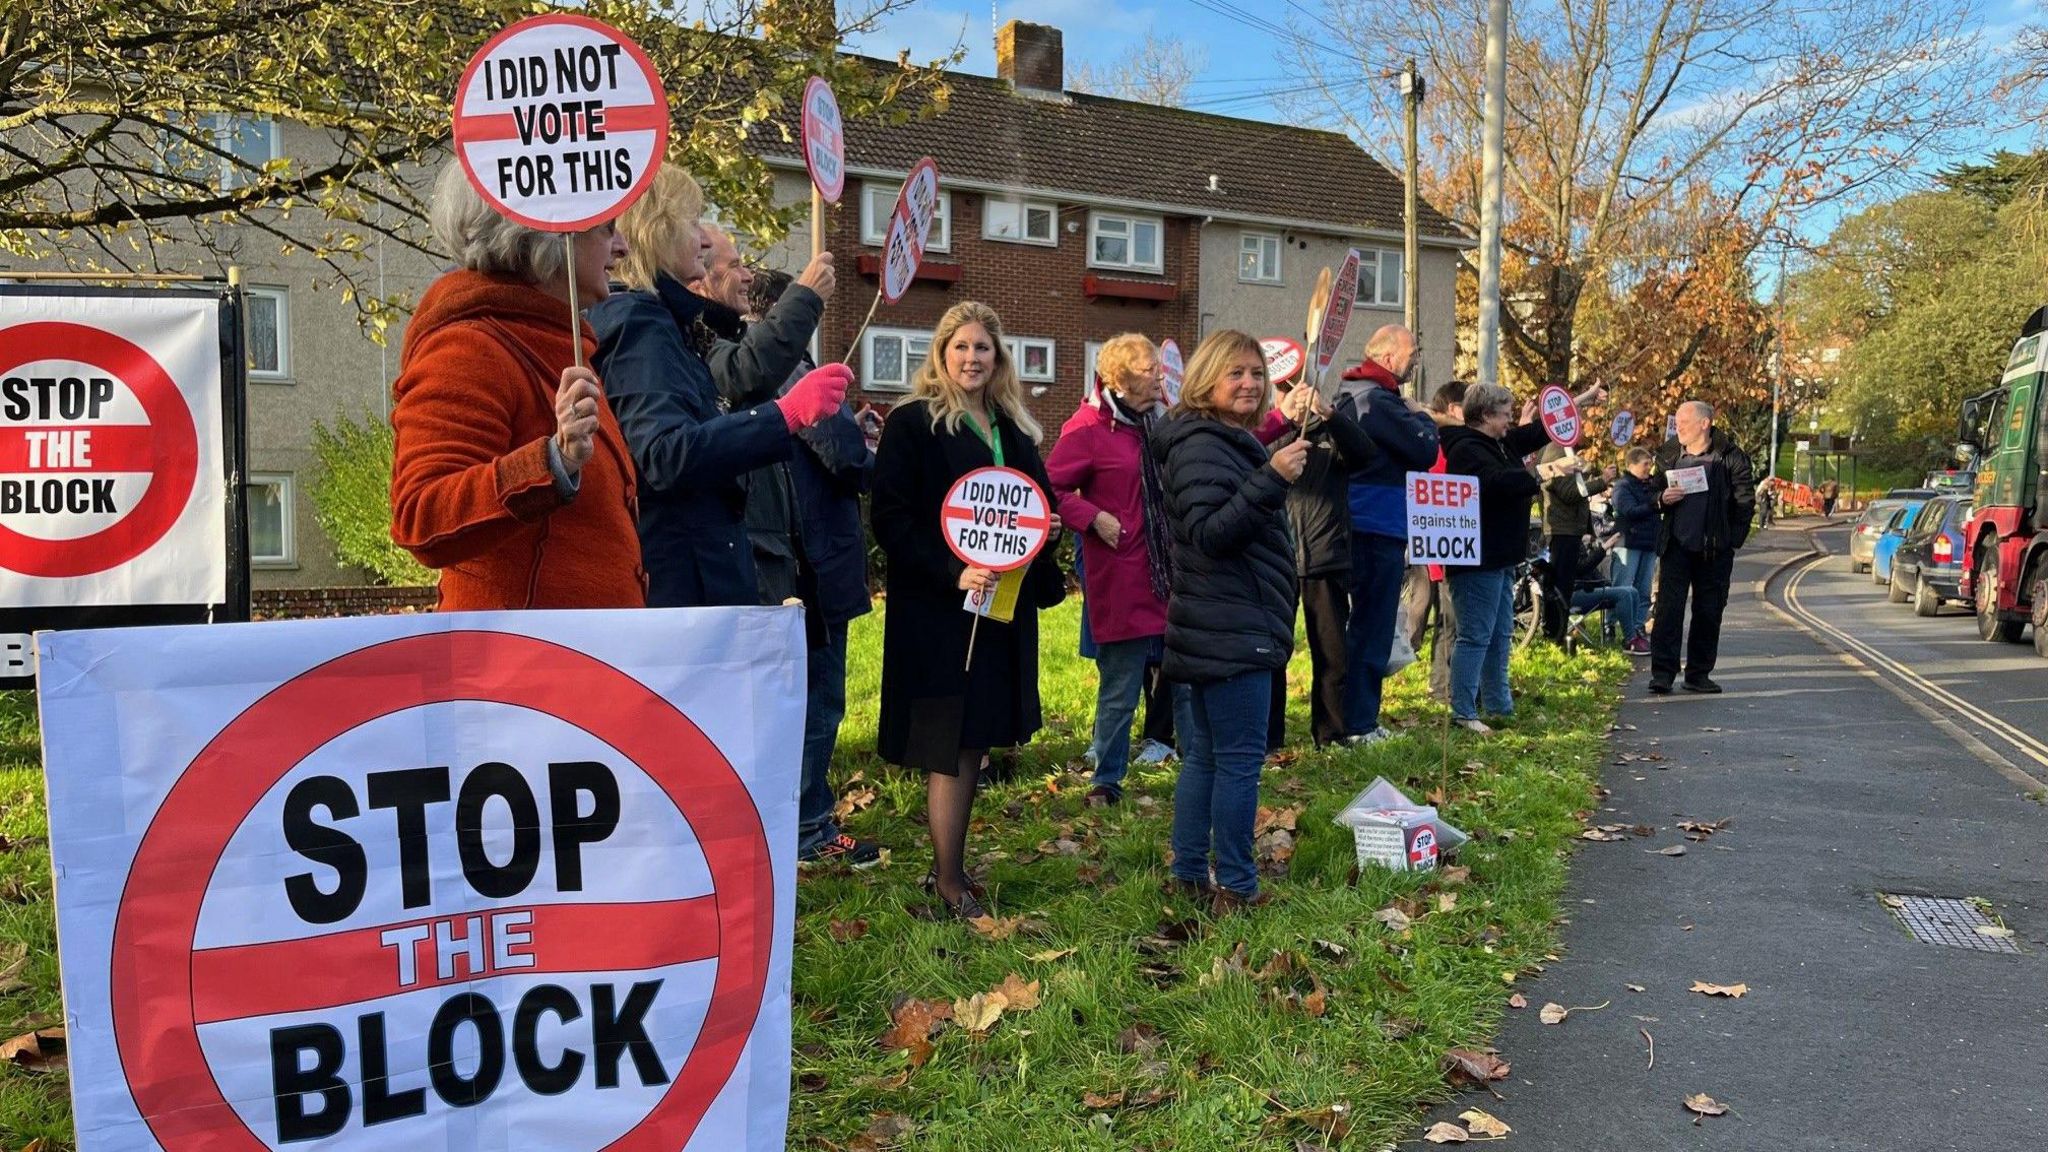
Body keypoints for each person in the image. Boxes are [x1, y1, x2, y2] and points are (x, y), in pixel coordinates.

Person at [871, 302, 1065, 920]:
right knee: (951, 741)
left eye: (983, 348)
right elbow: (891, 519)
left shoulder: (1012, 427)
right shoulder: (913, 424)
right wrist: (952, 572)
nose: (972, 359)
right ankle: (948, 880)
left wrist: (1049, 527)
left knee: (977, 738)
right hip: (940, 610)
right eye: (960, 347)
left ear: (998, 358)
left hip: (1002, 606)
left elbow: (1036, 502)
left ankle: (951, 864)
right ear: (940, 353)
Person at [588, 168, 850, 609]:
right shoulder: (642, 322)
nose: (705, 241)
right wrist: (784, 416)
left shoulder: (659, 321)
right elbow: (666, 453)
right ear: (658, 231)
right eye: (693, 222)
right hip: (684, 591)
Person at [390, 160, 642, 611]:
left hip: (575, 663)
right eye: (607, 227)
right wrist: (552, 462)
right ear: (546, 235)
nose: (622, 246)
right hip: (518, 667)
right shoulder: (469, 347)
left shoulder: (557, 340)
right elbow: (422, 515)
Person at [1155, 330, 1312, 913]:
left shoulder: (1216, 438)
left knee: (1207, 758)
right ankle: (1238, 889)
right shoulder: (1201, 443)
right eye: (1235, 373)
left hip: (1217, 622)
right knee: (1237, 762)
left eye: (1255, 373)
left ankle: (1192, 873)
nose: (1248, 383)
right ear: (1206, 380)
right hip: (1230, 626)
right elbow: (1211, 533)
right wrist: (1272, 478)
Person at [746, 267, 882, 867]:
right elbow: (848, 463)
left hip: (777, 564)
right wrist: (864, 444)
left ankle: (782, 823)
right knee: (818, 703)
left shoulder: (737, 368)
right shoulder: (795, 371)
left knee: (780, 703)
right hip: (816, 564)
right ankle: (810, 828)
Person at [1046, 333, 1183, 804]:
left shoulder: (1160, 423)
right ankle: (1107, 779)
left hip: (1169, 573)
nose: (1158, 376)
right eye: (1148, 369)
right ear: (1118, 379)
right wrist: (1092, 517)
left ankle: (1194, 759)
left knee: (1183, 674)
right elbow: (1048, 488)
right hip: (1122, 573)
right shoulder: (1086, 429)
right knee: (1121, 684)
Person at [1438, 382, 1594, 732]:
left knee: (1499, 635)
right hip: (1478, 559)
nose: (1511, 420)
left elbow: (1539, 431)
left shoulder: (1498, 442)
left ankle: (1498, 705)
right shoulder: (1466, 449)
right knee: (1476, 635)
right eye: (1506, 414)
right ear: (1486, 415)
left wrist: (1575, 403)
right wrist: (1545, 472)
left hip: (1502, 557)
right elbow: (1496, 483)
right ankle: (1464, 711)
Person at [1336, 325, 1441, 744]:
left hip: (1369, 518)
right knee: (1373, 622)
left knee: (1369, 622)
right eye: (1412, 352)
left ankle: (1360, 717)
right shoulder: (1377, 400)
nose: (1416, 359)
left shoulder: (1358, 394)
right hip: (1376, 521)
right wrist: (1421, 416)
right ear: (1387, 356)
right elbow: (1425, 450)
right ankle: (1359, 722)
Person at [1272, 373, 1379, 747]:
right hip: (1278, 558)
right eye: (1286, 390)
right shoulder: (1269, 431)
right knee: (1273, 652)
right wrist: (1283, 420)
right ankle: (1270, 738)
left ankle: (1330, 732)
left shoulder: (1331, 433)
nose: (1296, 397)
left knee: (1332, 653)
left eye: (1300, 389)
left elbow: (1366, 454)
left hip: (1326, 554)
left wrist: (1329, 415)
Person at [1648, 401, 1755, 695]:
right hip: (1676, 546)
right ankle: (1662, 674)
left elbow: (1745, 500)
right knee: (1668, 611)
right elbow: (1649, 491)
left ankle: (1698, 674)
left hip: (1715, 549)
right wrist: (1660, 499)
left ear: (1705, 423)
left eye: (1684, 422)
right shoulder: (1669, 453)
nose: (1678, 427)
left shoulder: (1731, 456)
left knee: (1709, 612)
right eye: (1677, 421)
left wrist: (1732, 541)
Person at [1406, 380, 1468, 702]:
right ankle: (1440, 688)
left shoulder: (1450, 440)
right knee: (1442, 617)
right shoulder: (1436, 440)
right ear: (1455, 409)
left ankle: (1441, 686)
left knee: (1445, 617)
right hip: (1437, 543)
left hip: (1447, 542)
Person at [1537, 441, 1615, 642]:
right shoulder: (1555, 450)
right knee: (1559, 588)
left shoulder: (1565, 450)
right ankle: (1555, 637)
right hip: (1561, 531)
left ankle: (1559, 635)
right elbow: (1569, 492)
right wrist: (1601, 481)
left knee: (1565, 586)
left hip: (1569, 529)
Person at [1567, 538, 1649, 655]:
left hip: (1586, 588)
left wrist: (1606, 584)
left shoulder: (1576, 540)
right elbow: (1581, 568)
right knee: (1623, 594)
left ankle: (1633, 634)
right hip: (1573, 594)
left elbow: (1590, 571)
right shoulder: (1567, 543)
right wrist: (1602, 550)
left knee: (1632, 591)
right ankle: (1630, 640)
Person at [1608, 446, 1660, 623]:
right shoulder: (1622, 486)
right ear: (1632, 465)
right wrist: (1655, 505)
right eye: (1645, 464)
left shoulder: (1653, 485)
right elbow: (1629, 511)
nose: (1648, 468)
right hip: (1628, 543)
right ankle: (1611, 625)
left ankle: (1637, 626)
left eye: (1650, 464)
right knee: (1621, 587)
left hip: (1649, 543)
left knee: (1644, 589)